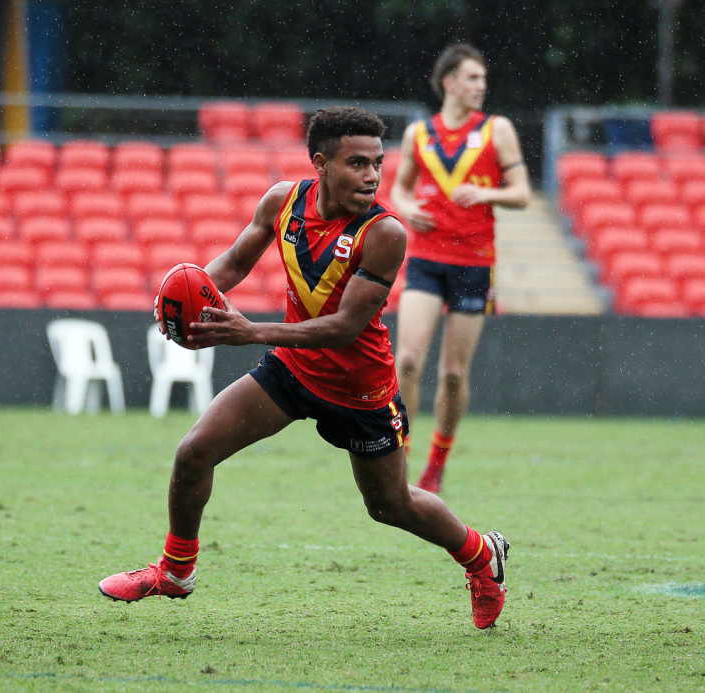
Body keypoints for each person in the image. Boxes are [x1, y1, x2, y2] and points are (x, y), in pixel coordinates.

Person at [98, 107, 510, 630]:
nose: (372, 176)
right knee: (194, 452)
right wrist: (190, 295)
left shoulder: (385, 233)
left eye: (377, 163)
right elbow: (235, 263)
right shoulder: (283, 201)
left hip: (362, 391)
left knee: (390, 505)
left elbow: (343, 327)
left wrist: (250, 332)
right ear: (321, 163)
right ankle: (176, 572)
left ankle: (481, 556)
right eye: (357, 163)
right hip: (294, 370)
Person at [390, 44, 531, 494]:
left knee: (453, 373)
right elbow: (400, 189)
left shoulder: (497, 129)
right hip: (427, 260)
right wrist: (408, 209)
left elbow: (522, 193)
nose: (481, 87)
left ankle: (437, 463)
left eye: (483, 80)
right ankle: (402, 457)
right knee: (408, 361)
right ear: (448, 82)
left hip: (474, 264)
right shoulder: (419, 134)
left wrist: (486, 194)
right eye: (472, 78)